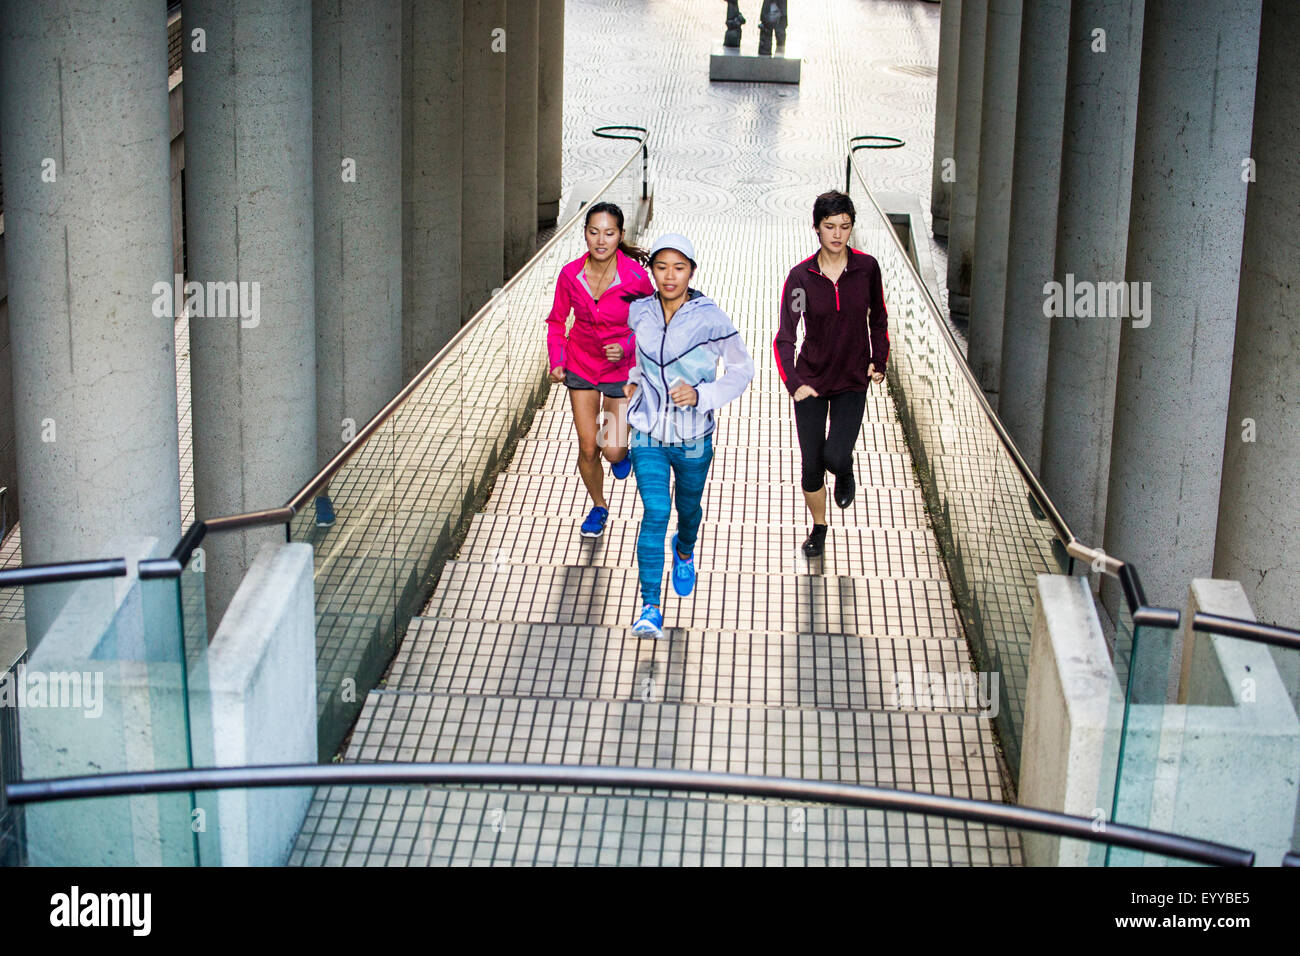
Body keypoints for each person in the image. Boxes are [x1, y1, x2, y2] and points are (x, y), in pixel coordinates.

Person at [623, 233, 754, 639]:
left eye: (679, 268)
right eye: (661, 267)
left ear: (692, 272)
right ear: (652, 271)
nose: (669, 276)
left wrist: (701, 395)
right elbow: (636, 358)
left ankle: (685, 549)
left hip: (694, 435)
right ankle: (650, 607)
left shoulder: (711, 318)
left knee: (688, 510)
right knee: (656, 512)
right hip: (648, 431)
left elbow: (741, 370)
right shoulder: (640, 312)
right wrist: (631, 381)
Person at [773, 190, 889, 559]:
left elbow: (880, 318)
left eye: (845, 226)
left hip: (853, 379)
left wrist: (879, 359)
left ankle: (845, 468)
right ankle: (819, 528)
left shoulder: (867, 269)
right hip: (812, 381)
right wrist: (794, 383)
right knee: (811, 464)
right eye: (829, 227)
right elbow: (785, 337)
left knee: (836, 456)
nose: (838, 234)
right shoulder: (801, 278)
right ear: (816, 228)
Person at [545, 202, 654, 538]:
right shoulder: (570, 275)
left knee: (613, 449)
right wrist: (557, 359)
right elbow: (556, 321)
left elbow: (653, 324)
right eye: (594, 232)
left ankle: (622, 454)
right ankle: (598, 506)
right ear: (585, 234)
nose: (601, 240)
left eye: (609, 233)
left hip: (621, 369)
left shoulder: (636, 278)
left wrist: (628, 347)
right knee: (588, 447)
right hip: (581, 365)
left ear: (620, 235)